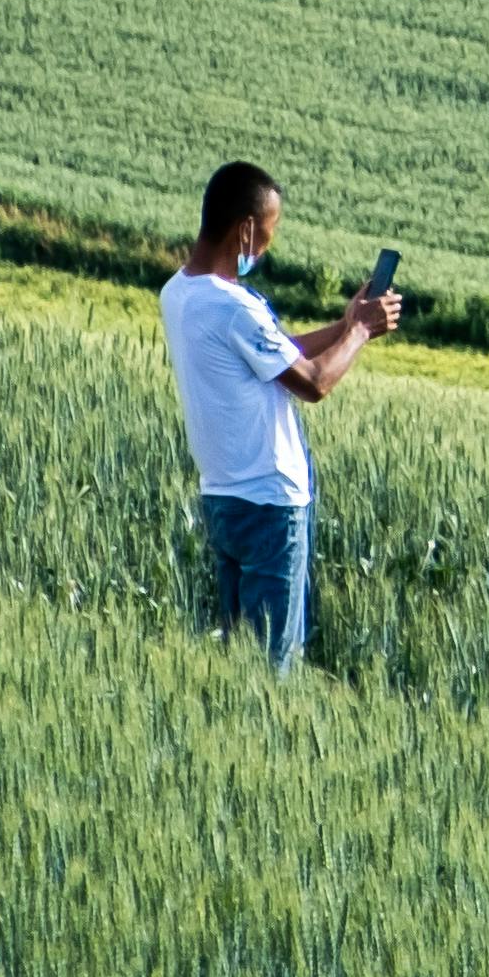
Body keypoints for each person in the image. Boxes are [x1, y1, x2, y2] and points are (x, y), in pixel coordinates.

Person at [162, 159, 398, 666]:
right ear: (246, 229)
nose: (266, 248)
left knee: (234, 659)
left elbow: (277, 351)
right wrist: (360, 334)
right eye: (266, 236)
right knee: (273, 667)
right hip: (271, 504)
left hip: (222, 498)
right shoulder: (235, 307)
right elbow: (313, 383)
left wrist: (345, 323)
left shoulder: (177, 293)